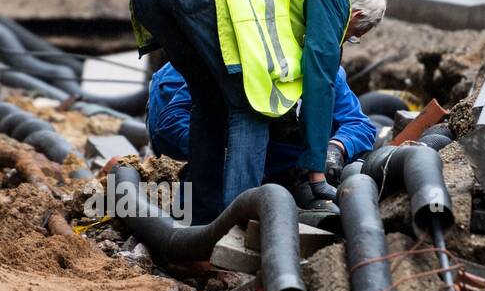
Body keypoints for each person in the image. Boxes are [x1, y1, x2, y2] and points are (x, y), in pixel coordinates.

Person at [129, 0, 387, 224]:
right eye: (352, 34)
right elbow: (321, 77)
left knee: (209, 102)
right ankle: (236, 229)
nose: (344, 40)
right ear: (353, 15)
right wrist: (316, 170)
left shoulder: (279, 16)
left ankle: (201, 226)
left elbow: (353, 116)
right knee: (251, 107)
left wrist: (332, 149)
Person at [146, 61, 377, 204]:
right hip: (179, 96)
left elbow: (361, 126)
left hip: (272, 148)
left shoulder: (325, 72)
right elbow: (170, 120)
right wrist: (223, 156)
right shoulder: (241, 62)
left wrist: (337, 147)